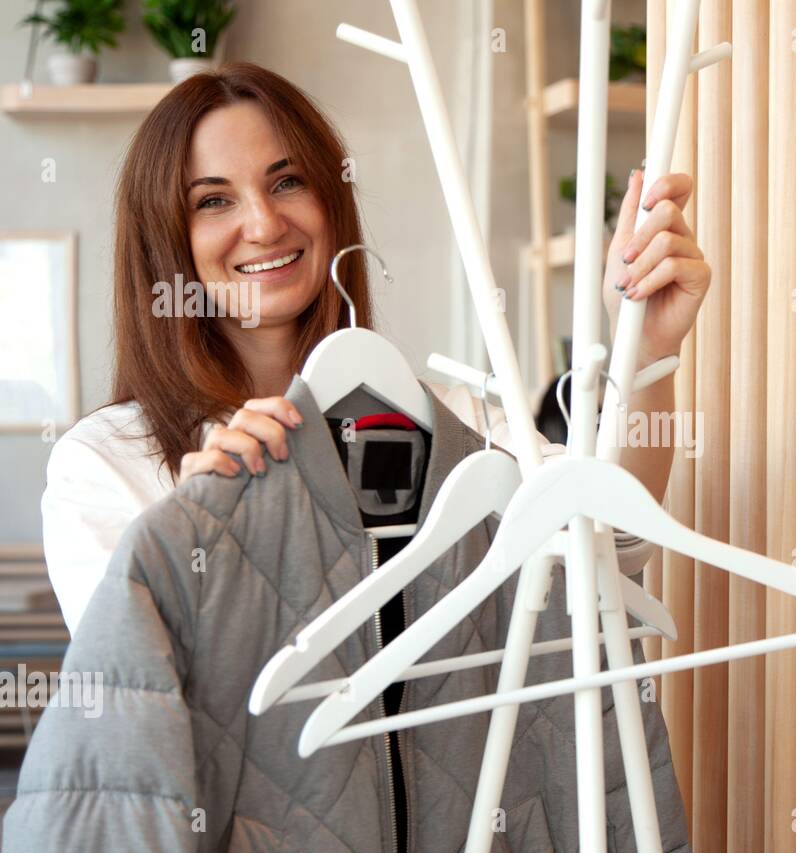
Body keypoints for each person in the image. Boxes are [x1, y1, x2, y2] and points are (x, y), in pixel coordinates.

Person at [42, 62, 710, 635]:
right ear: (165, 243)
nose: (264, 223)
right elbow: (130, 690)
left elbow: (611, 539)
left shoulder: (447, 421)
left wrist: (646, 347)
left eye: (287, 181)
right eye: (213, 201)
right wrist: (190, 539)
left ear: (332, 201)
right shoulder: (102, 464)